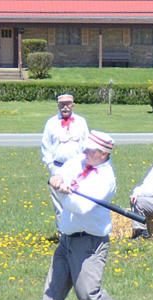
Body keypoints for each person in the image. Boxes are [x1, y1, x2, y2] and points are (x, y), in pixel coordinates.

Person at [24, 131, 140, 300]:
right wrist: (58, 179)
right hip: (67, 239)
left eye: (90, 150)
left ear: (103, 154)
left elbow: (80, 206)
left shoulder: (105, 178)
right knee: (53, 290)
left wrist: (63, 193)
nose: (84, 151)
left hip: (90, 244)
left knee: (88, 294)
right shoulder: (80, 160)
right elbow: (63, 171)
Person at [40, 93, 90, 227]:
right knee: (60, 207)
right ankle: (63, 234)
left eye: (68, 104)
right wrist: (52, 168)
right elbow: (46, 148)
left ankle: (79, 232)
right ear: (58, 106)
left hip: (78, 169)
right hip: (58, 168)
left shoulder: (81, 122)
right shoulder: (51, 123)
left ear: (73, 105)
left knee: (78, 202)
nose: (65, 107)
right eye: (62, 105)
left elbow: (87, 145)